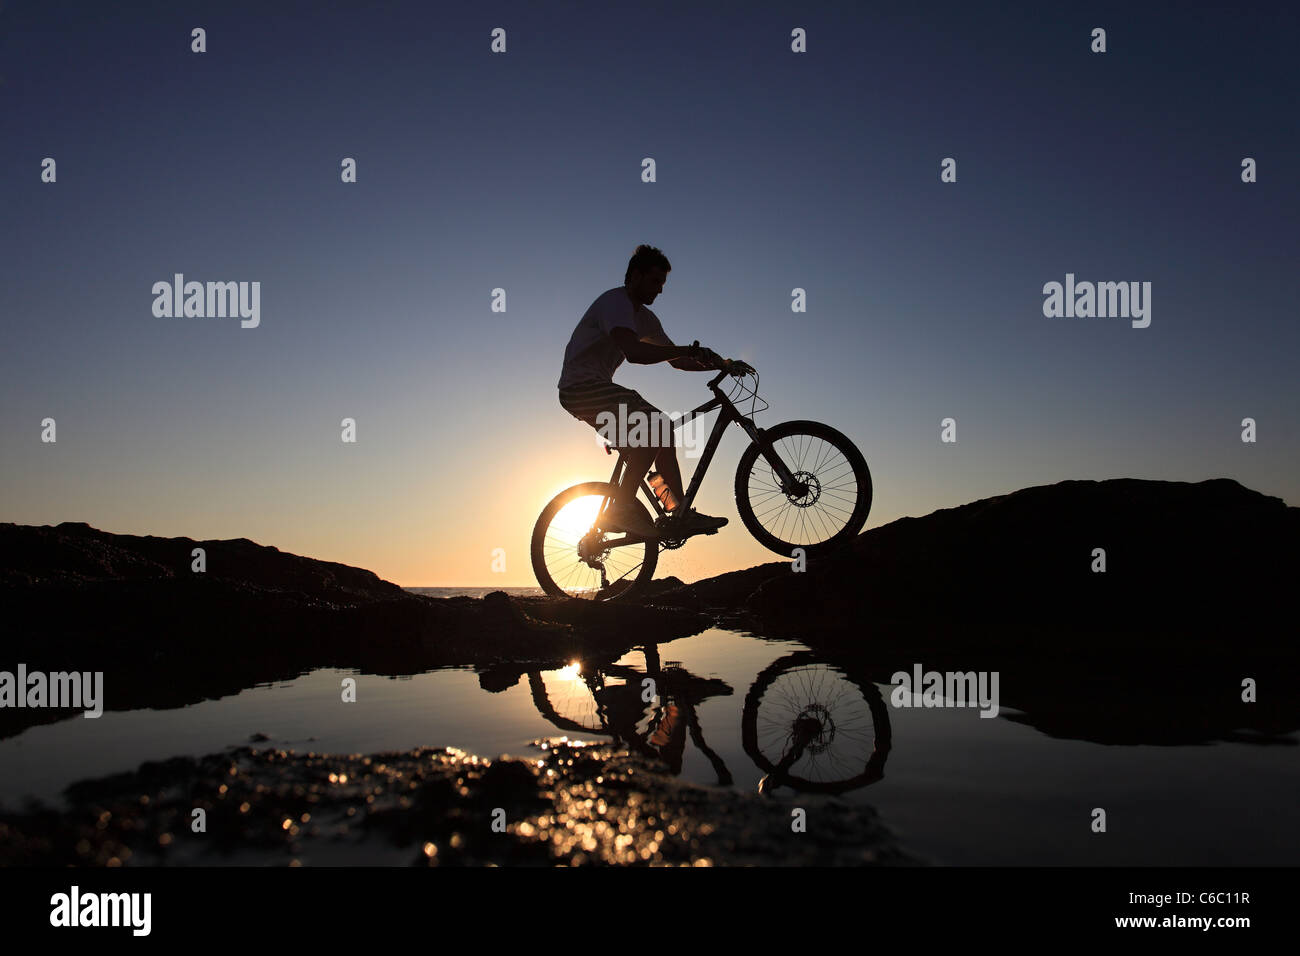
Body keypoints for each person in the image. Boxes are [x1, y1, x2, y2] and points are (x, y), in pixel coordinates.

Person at [557, 245, 738, 539]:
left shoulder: (646, 319)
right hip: (579, 388)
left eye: (662, 284)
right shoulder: (615, 303)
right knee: (659, 426)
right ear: (635, 276)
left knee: (662, 433)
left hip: (595, 389)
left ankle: (679, 514)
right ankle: (621, 508)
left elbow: (678, 361)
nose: (660, 291)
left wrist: (721, 364)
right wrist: (687, 349)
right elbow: (634, 352)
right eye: (655, 282)